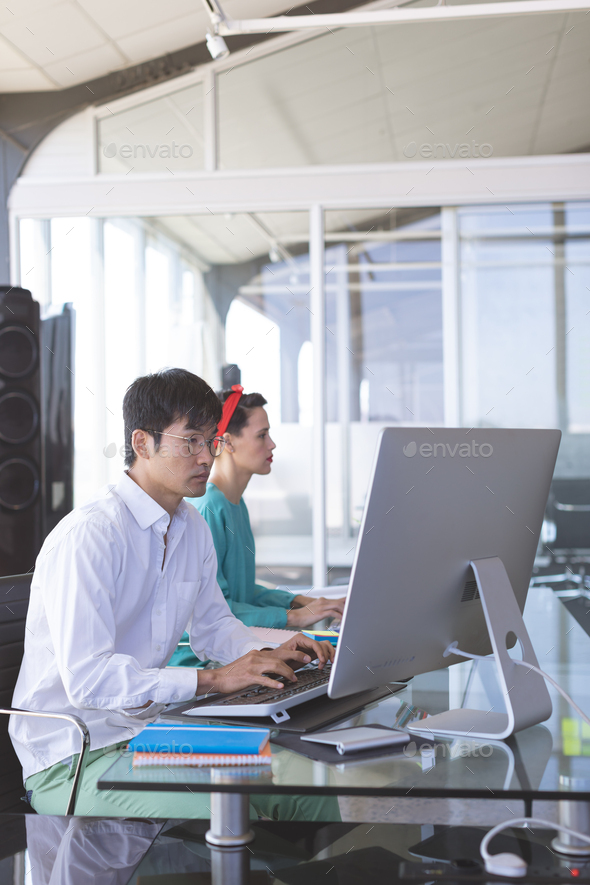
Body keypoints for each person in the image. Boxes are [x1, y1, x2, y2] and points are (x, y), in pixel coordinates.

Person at [10, 369, 337, 820]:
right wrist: (214, 680)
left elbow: (215, 629)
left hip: (151, 733)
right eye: (191, 441)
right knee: (234, 809)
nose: (206, 456)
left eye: (212, 440)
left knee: (302, 787)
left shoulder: (190, 527)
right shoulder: (91, 535)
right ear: (143, 444)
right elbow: (88, 680)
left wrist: (271, 650)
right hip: (74, 757)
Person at [168, 386, 346, 668]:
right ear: (226, 442)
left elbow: (243, 591)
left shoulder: (234, 504)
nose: (272, 444)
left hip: (234, 648)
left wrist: (298, 602)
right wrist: (293, 616)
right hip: (202, 663)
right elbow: (218, 609)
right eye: (262, 435)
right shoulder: (208, 509)